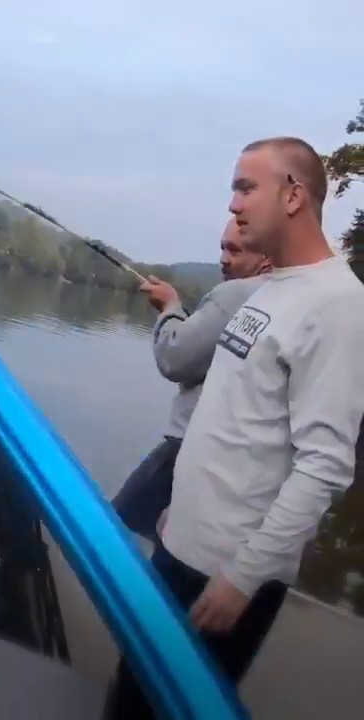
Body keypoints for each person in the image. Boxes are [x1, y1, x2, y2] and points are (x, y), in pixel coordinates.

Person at [105, 136, 364, 719]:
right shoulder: (266, 292)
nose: (234, 206)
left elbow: (324, 464)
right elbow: (226, 416)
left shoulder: (340, 308)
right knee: (129, 698)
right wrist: (182, 510)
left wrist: (242, 578)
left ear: (294, 195)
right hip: (179, 546)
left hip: (222, 577)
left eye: (246, 188)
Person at [111, 218, 272, 541]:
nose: (224, 258)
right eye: (223, 248)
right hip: (241, 468)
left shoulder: (237, 294)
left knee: (115, 532)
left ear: (266, 258)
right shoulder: (290, 300)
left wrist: (169, 308)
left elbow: (176, 357)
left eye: (236, 250)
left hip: (187, 449)